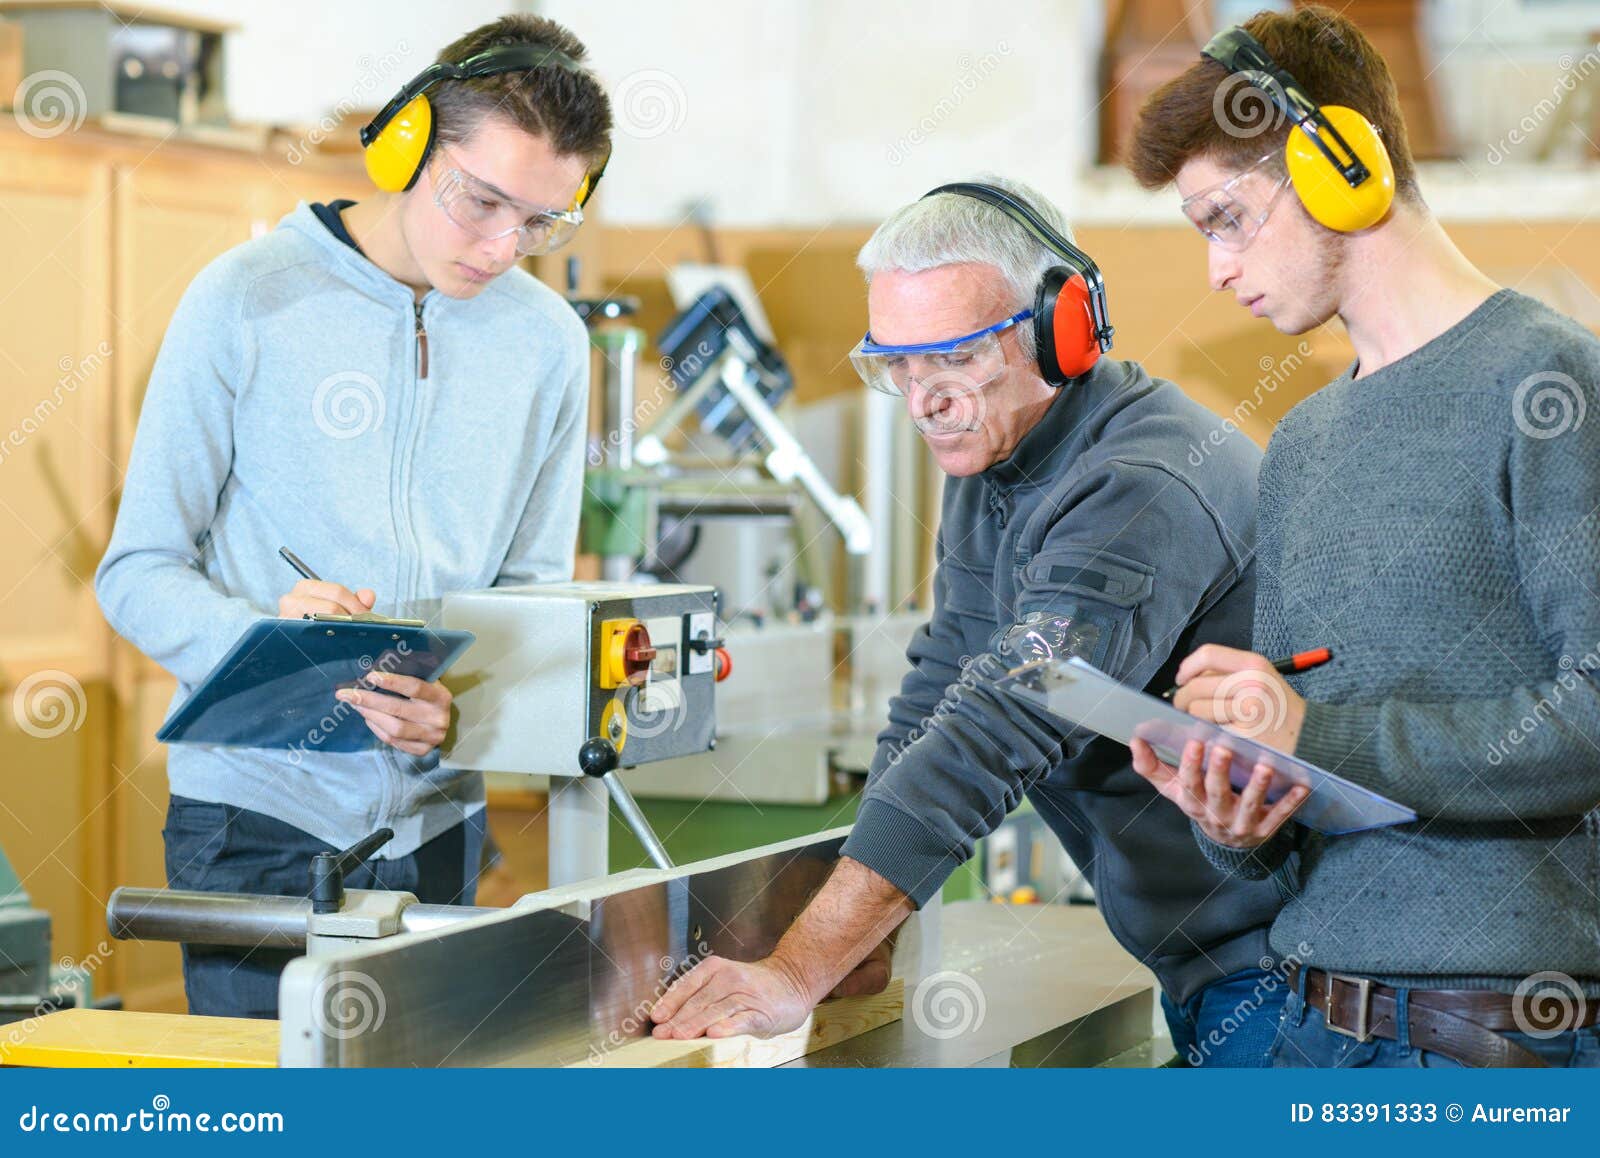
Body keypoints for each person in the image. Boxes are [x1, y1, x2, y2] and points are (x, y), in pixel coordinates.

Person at [650, 175, 1293, 1065]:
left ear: (1064, 328)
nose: (923, 400)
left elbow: (1003, 720)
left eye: (955, 358)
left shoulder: (1142, 483)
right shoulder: (993, 466)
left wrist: (795, 971)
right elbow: (940, 691)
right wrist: (860, 934)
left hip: (1296, 978)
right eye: (898, 365)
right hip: (1209, 968)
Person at [93, 15, 610, 1018]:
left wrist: (460, 711)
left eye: (542, 222)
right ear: (406, 143)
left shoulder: (548, 342)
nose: (505, 246)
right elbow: (137, 568)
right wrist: (264, 643)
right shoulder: (246, 298)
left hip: (437, 828)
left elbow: (532, 597)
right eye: (482, 200)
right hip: (256, 823)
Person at [1124, 5, 1600, 1067]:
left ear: (1343, 164)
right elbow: (1301, 780)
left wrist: (1315, 739)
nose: (1215, 269)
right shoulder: (1301, 442)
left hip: (1488, 1051)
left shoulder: (1547, 383)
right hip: (1306, 1025)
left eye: (1227, 218)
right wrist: (1240, 810)